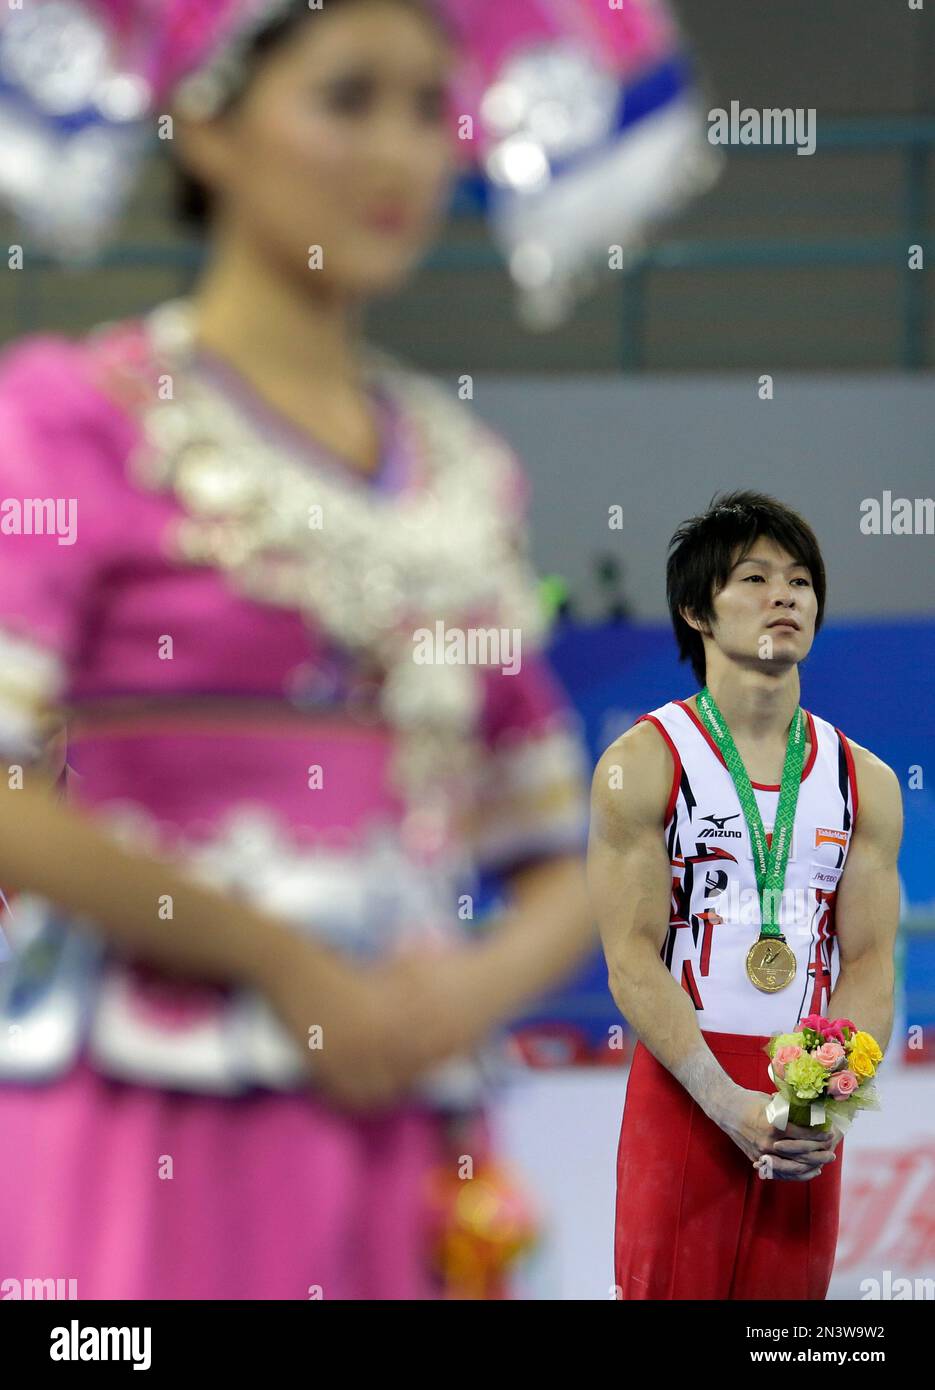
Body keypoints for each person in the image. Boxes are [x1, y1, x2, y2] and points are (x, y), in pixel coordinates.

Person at [0, 0, 596, 1300]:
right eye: (345, 98)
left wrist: (456, 994)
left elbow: (568, 854)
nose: (400, 153)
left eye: (428, 108)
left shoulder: (461, 478)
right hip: (145, 1113)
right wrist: (282, 960)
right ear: (204, 125)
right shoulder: (71, 420)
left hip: (401, 1126)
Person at [587, 490, 902, 1301]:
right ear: (697, 609)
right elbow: (628, 956)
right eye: (755, 578)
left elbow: (867, 958)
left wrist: (824, 1096)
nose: (784, 596)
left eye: (799, 580)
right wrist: (723, 1099)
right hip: (687, 1081)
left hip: (803, 1089)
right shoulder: (644, 761)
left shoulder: (861, 779)